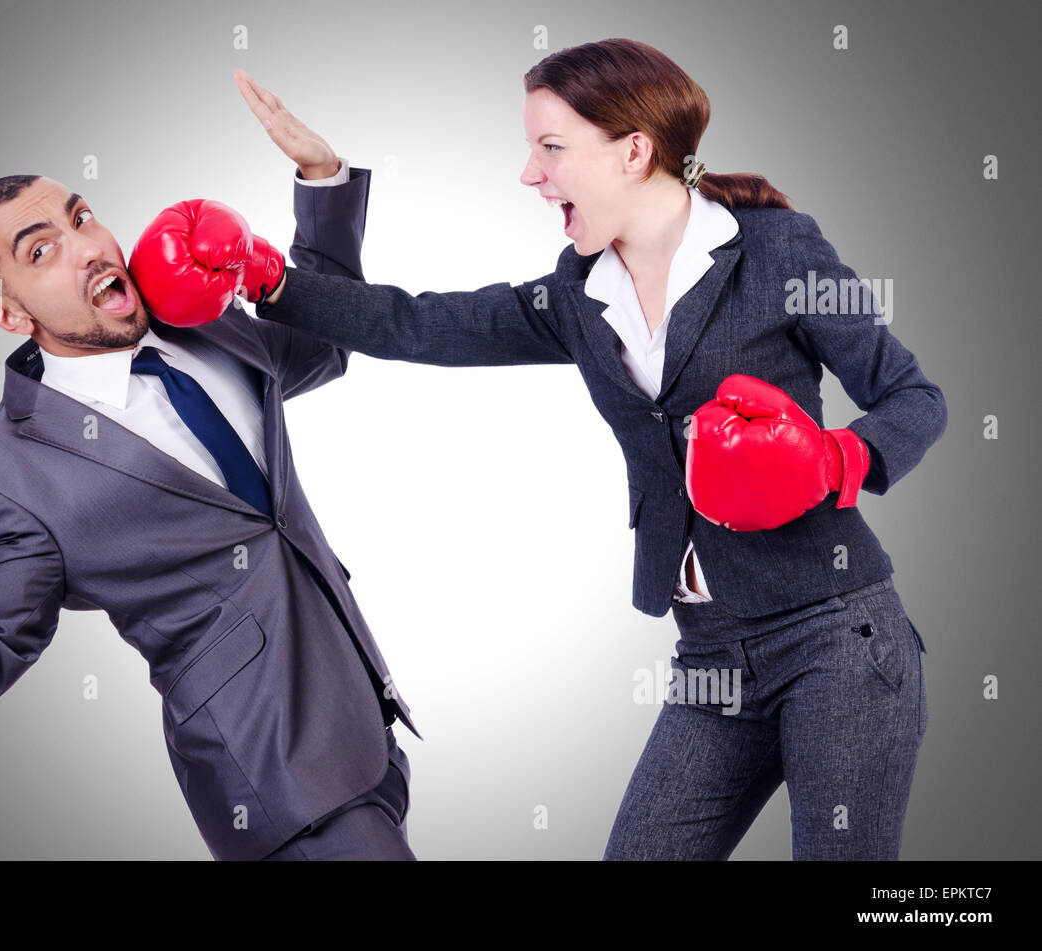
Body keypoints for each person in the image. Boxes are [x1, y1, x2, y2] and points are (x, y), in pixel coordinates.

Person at [240, 39, 946, 860]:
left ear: (633, 151)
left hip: (838, 636)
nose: (529, 175)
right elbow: (421, 323)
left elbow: (914, 399)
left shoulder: (777, 252)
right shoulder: (577, 296)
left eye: (551, 149)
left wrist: (835, 461)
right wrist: (274, 284)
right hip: (712, 656)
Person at [0, 93, 418, 861]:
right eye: (41, 251)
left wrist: (322, 183)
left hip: (369, 726)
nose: (88, 247)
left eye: (82, 216)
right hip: (278, 784)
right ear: (5, 314)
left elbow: (321, 349)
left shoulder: (194, 317)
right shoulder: (14, 478)